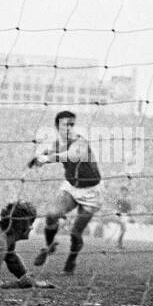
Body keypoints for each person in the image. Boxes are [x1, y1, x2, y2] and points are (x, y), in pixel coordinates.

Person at [26, 110, 101, 275]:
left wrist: (46, 159)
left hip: (91, 191)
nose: (69, 128)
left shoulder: (80, 142)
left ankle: (71, 260)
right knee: (52, 215)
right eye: (65, 125)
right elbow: (46, 153)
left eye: (72, 124)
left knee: (75, 234)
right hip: (71, 187)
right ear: (57, 126)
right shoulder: (56, 143)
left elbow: (71, 156)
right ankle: (48, 246)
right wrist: (37, 158)